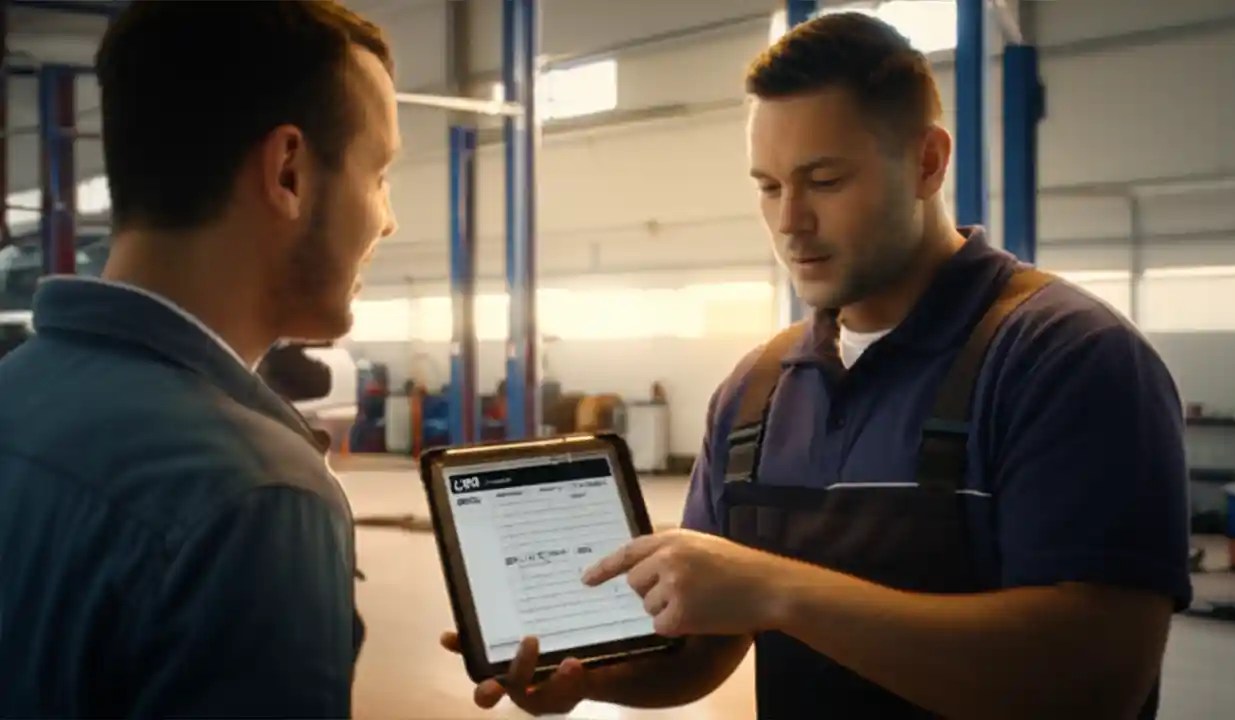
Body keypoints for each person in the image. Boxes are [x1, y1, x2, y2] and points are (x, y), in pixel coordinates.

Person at [442, 12, 1190, 720]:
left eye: (825, 181)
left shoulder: (1065, 360)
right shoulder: (757, 391)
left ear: (928, 162)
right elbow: (705, 647)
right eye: (768, 187)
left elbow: (1093, 685)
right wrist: (587, 675)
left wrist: (779, 590)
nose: (790, 222)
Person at [0, 1, 399, 716]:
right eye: (378, 175)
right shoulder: (257, 497)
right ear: (288, 172)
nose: (388, 220)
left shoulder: (16, 394)